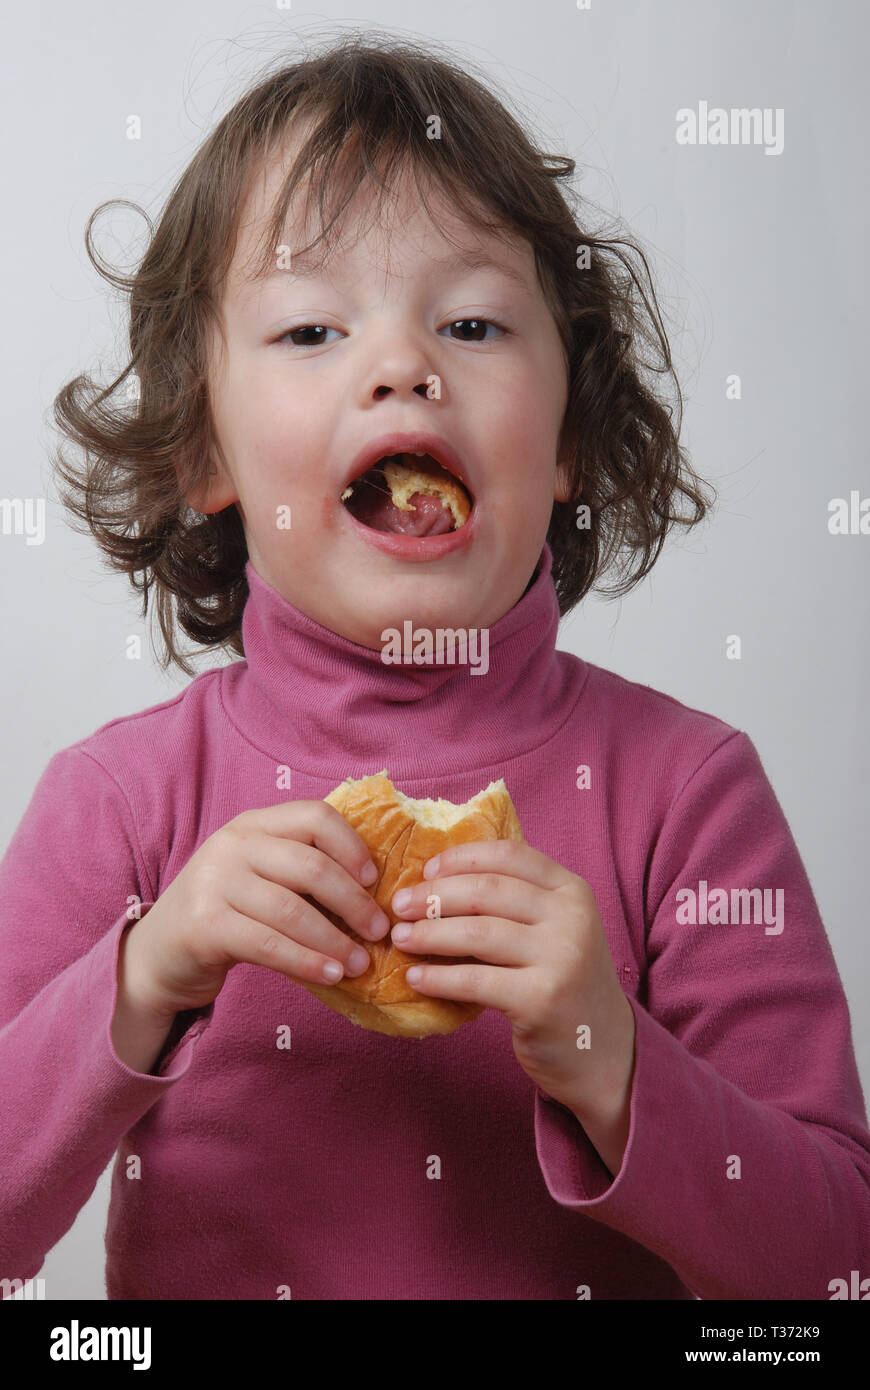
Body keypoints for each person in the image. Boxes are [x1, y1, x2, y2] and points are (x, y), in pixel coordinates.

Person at [1, 33, 867, 1301]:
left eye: (471, 321)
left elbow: (835, 1266)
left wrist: (608, 1054)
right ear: (206, 456)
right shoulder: (125, 803)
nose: (403, 364)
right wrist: (148, 975)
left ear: (568, 439)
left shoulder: (688, 793)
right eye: (309, 328)